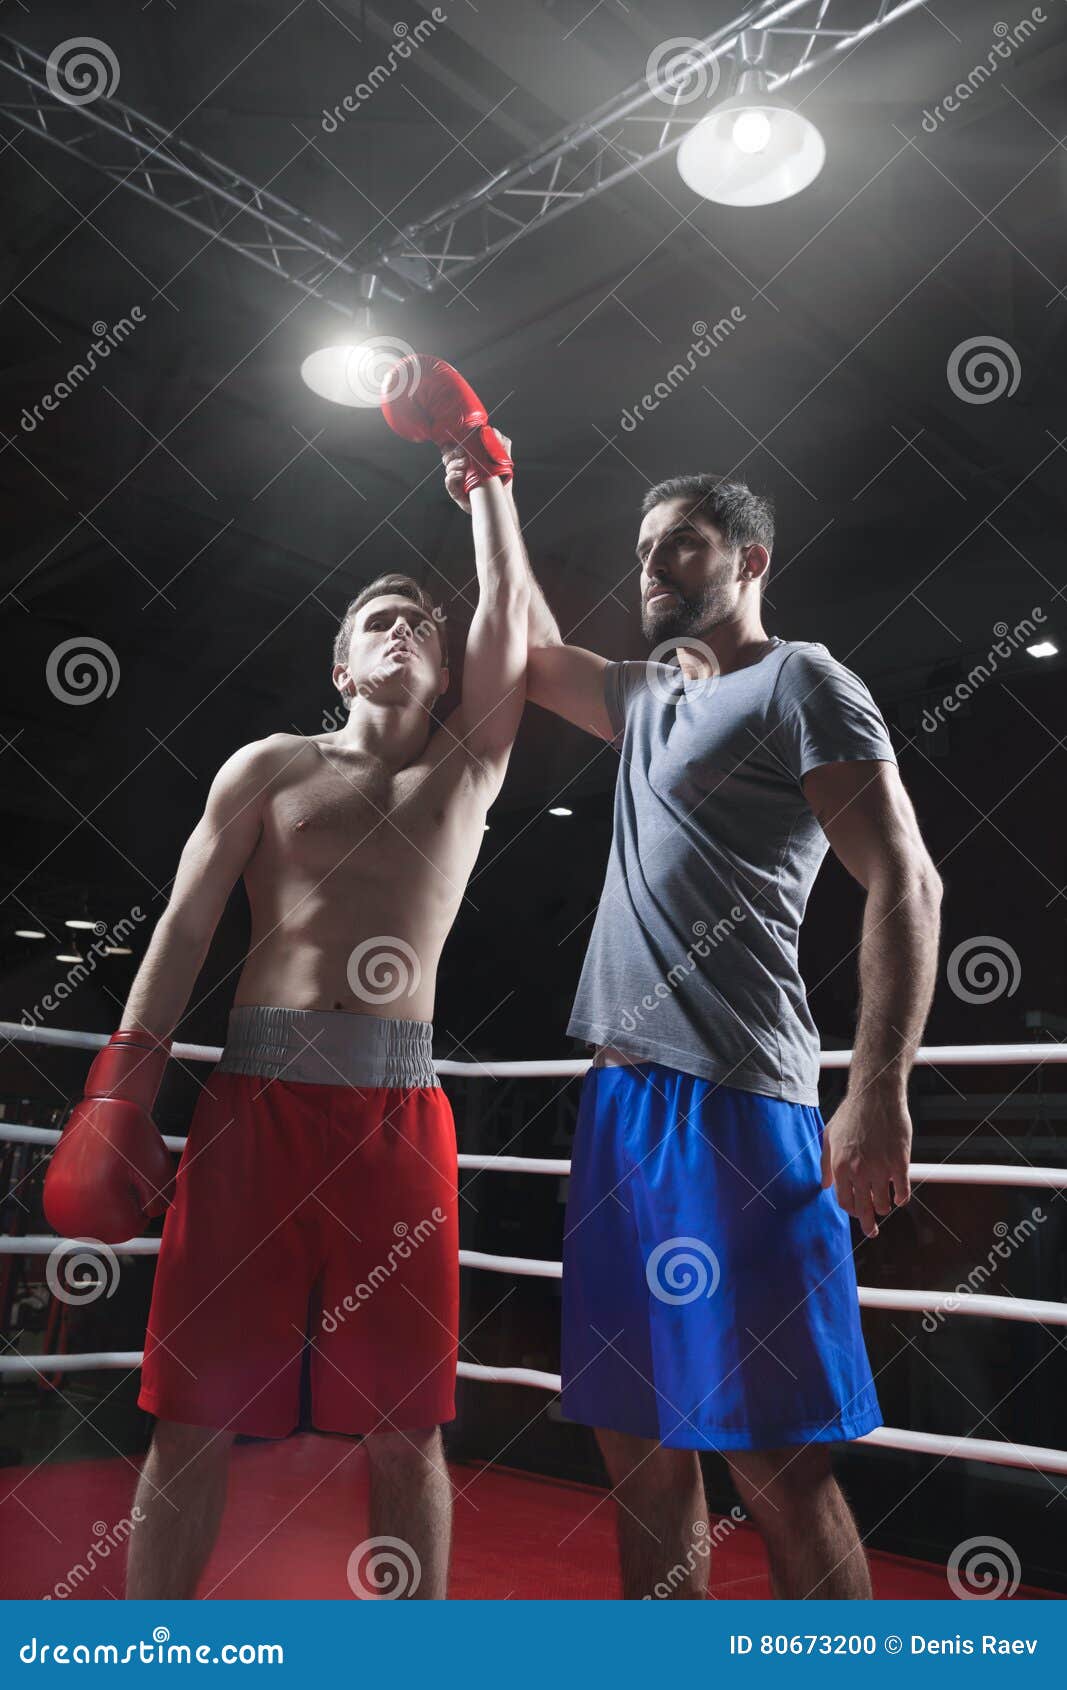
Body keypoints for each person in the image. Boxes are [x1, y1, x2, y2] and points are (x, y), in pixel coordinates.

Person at [45, 357, 526, 1600]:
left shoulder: (464, 775)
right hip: (250, 1106)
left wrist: (479, 470)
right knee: (192, 1408)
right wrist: (120, 1092)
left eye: (422, 620)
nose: (407, 629)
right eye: (379, 620)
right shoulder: (268, 766)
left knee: (405, 1421)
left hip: (393, 1121)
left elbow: (509, 624)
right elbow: (186, 926)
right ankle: (155, 1653)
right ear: (338, 666)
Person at [442, 451, 942, 1600]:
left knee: (771, 1459)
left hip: (734, 1103)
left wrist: (874, 1090)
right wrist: (486, 482)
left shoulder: (800, 681)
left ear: (747, 558)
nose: (653, 565)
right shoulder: (642, 692)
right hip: (620, 1109)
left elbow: (904, 884)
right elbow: (512, 643)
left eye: (680, 542)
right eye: (642, 549)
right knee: (638, 1449)